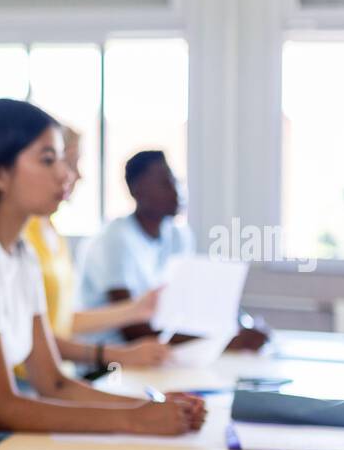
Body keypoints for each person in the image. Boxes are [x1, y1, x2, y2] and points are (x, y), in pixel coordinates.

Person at [0, 101, 206, 450]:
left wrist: (147, 406)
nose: (65, 175)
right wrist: (137, 420)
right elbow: (1, 407)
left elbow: (53, 381)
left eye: (63, 160)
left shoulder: (20, 252)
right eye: (47, 160)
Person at [79, 149, 267, 352]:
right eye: (164, 183)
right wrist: (222, 341)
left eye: (176, 181)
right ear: (137, 191)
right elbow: (132, 331)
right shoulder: (115, 240)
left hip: (154, 352)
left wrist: (239, 327)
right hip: (108, 360)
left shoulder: (179, 237)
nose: (176, 190)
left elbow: (187, 306)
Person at [22, 128, 169, 369]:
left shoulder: (52, 232)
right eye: (71, 162)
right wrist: (120, 355)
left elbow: (62, 321)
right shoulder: (23, 236)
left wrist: (136, 309)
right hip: (34, 379)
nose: (77, 175)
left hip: (60, 372)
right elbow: (32, 335)